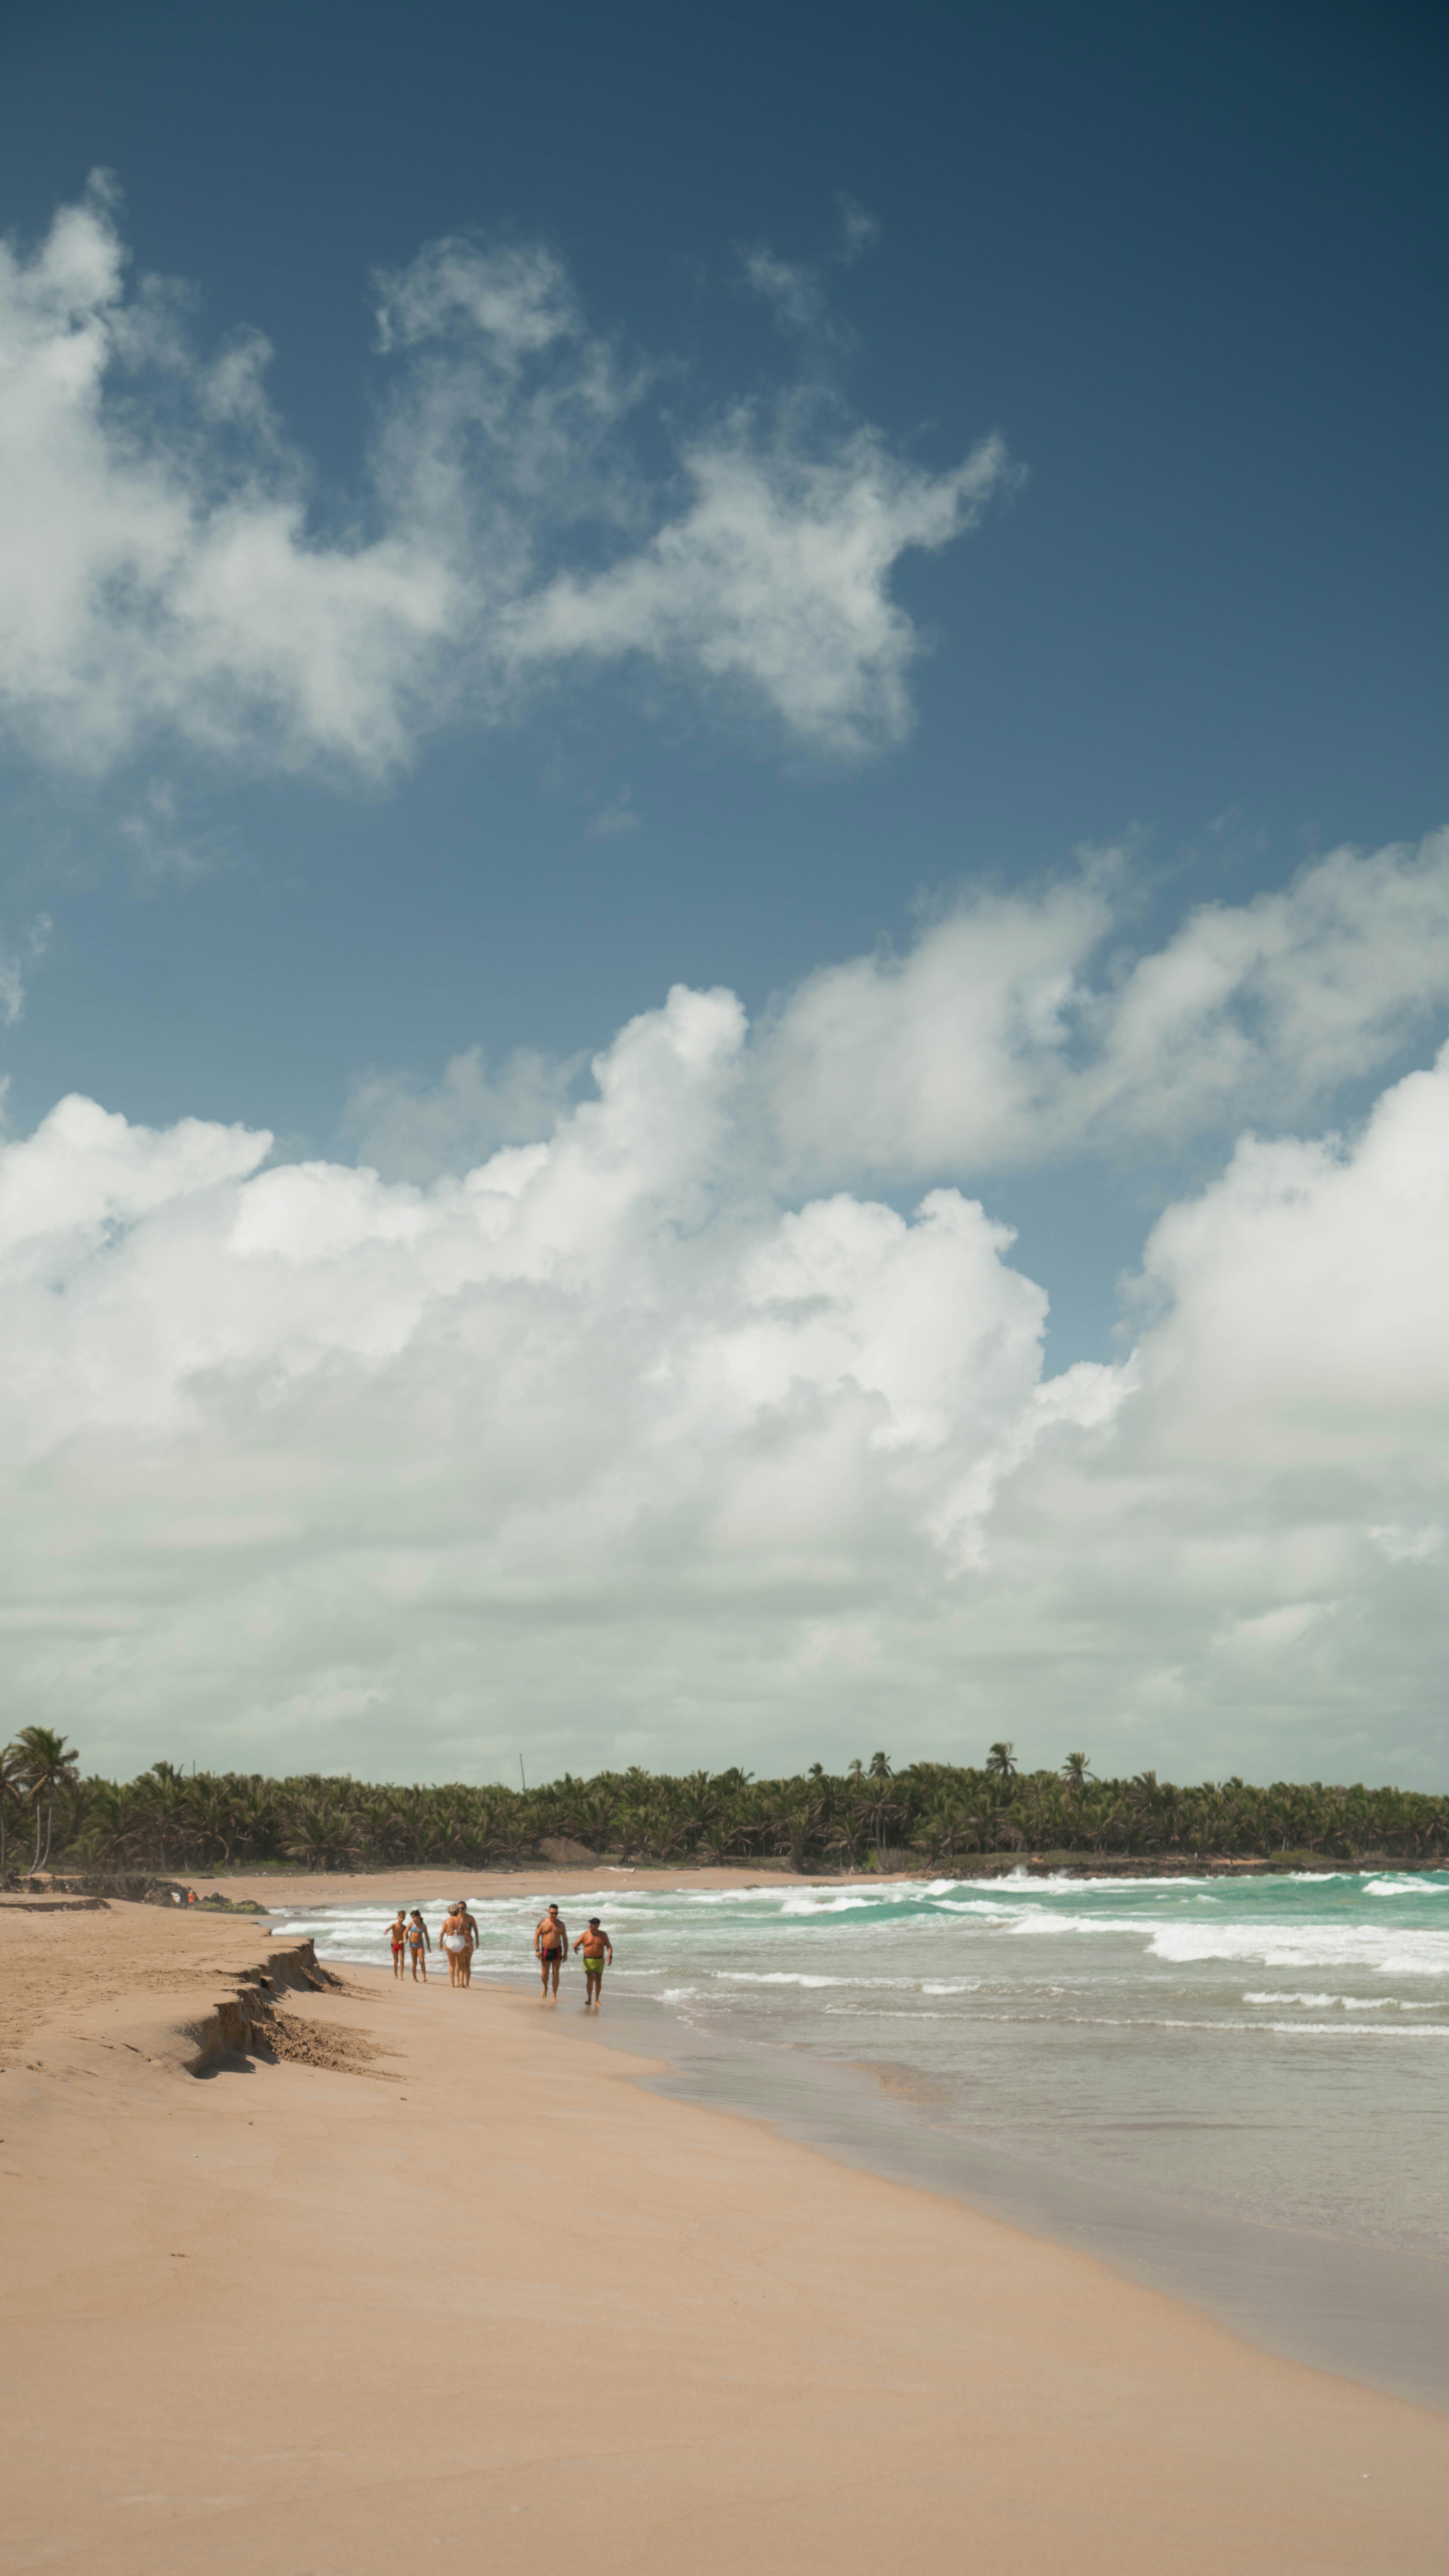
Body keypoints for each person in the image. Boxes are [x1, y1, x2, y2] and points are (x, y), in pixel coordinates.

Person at [573, 1917, 612, 2011]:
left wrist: (610, 1956)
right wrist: (575, 1948)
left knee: (598, 1980)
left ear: (598, 1925)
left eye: (593, 1924)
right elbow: (576, 1944)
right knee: (590, 1978)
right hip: (588, 1960)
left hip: (599, 1960)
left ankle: (597, 2000)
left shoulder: (603, 1935)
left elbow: (609, 1947)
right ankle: (589, 1999)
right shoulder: (585, 1935)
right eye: (590, 1924)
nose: (590, 1925)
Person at [534, 1902, 568, 2004]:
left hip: (557, 1950)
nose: (554, 1916)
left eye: (556, 1914)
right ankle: (545, 1987)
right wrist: (537, 1951)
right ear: (548, 1912)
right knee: (545, 1974)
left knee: (556, 1974)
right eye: (552, 1913)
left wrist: (566, 1953)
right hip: (546, 1950)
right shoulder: (543, 1923)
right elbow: (537, 1937)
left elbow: (565, 1939)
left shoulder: (561, 1925)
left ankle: (554, 1995)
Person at [441, 1903, 470, 1987]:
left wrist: (440, 1944)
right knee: (461, 1964)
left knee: (452, 1965)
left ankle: (452, 1984)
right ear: (458, 1911)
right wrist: (469, 1944)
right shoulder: (462, 1921)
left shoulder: (447, 1921)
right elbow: (466, 1933)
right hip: (460, 1942)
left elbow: (442, 1934)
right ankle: (461, 1982)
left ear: (450, 1912)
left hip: (450, 1942)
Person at [407, 1908, 431, 1981]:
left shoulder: (423, 1926)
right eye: (412, 1917)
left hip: (420, 1945)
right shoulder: (411, 1925)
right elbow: (405, 1932)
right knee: (414, 1962)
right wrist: (405, 1939)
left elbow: (427, 1936)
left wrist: (429, 1946)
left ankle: (424, 1978)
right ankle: (415, 1978)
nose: (413, 1919)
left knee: (422, 1961)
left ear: (419, 1917)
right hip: (412, 1946)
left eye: (414, 1917)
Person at [389, 1911, 408, 1979]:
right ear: (398, 1918)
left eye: (403, 1918)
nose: (402, 1919)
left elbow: (406, 1937)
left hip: (401, 1945)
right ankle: (395, 1975)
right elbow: (388, 1929)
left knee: (402, 1960)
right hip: (394, 1944)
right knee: (396, 1961)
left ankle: (401, 1975)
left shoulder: (404, 1928)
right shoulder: (394, 1925)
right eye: (400, 1918)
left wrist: (404, 1941)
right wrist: (386, 1931)